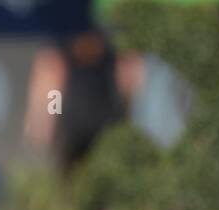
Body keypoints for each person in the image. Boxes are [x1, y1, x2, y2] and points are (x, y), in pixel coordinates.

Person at [23, 29, 144, 171]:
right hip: (107, 123)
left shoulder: (60, 27)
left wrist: (46, 121)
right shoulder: (112, 27)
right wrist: (126, 113)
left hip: (73, 126)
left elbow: (52, 77)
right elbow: (129, 75)